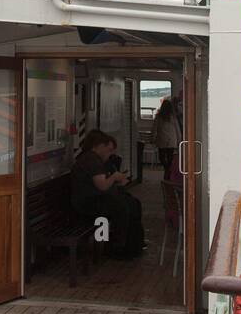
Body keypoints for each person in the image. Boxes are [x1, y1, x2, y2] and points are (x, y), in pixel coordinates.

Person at [70, 129, 144, 258]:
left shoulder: (92, 159)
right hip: (88, 203)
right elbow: (102, 186)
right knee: (121, 207)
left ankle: (129, 244)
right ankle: (119, 246)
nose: (110, 154)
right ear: (100, 146)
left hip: (91, 199)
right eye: (109, 150)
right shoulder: (91, 160)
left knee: (130, 203)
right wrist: (115, 177)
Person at [152, 98, 181, 184]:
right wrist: (179, 140)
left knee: (161, 157)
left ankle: (167, 171)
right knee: (169, 158)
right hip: (172, 140)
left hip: (162, 140)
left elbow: (154, 129)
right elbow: (177, 129)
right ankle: (167, 171)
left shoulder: (159, 116)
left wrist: (152, 138)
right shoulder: (173, 117)